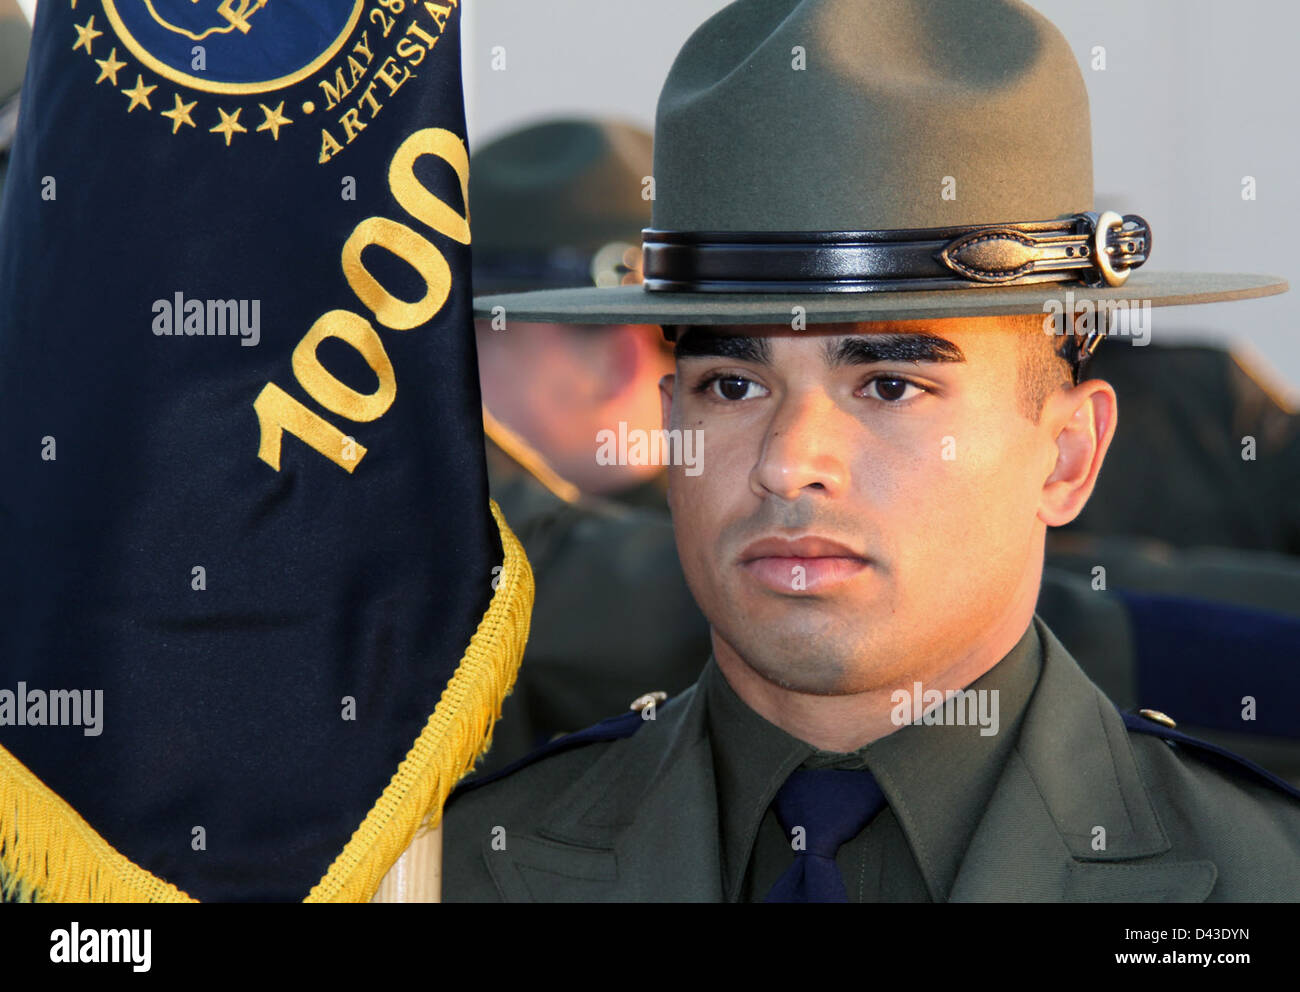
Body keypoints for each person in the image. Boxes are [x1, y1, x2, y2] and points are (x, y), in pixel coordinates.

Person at [443, 0, 1299, 902]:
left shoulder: (1257, 884)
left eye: (891, 384)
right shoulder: (455, 871)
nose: (789, 461)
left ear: (1068, 456)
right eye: (733, 385)